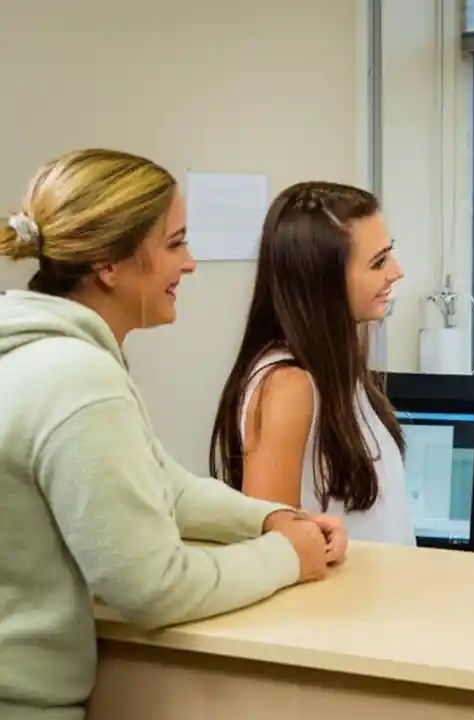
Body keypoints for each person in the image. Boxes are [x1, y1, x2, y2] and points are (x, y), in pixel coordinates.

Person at [0, 149, 347, 719]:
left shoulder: (41, 353)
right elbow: (153, 587)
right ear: (110, 264)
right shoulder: (76, 379)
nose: (189, 264)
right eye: (175, 243)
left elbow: (164, 484)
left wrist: (269, 519)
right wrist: (287, 557)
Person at [209, 181, 415, 546]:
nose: (396, 271)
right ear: (324, 283)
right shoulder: (288, 386)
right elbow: (272, 550)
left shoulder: (339, 370)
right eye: (378, 262)